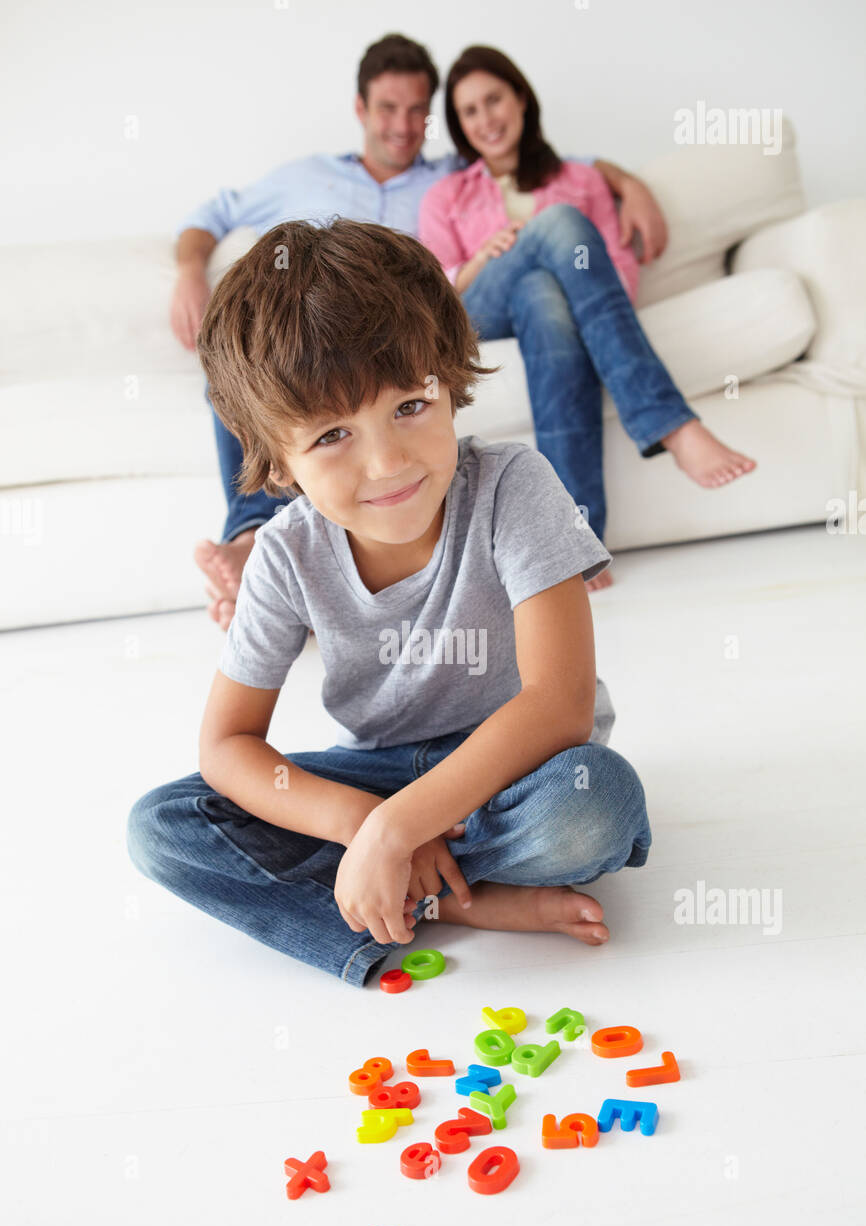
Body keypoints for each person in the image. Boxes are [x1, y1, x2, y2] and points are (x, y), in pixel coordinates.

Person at [127, 218, 652, 987]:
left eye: (410, 405)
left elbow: (560, 704)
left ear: (448, 380)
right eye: (333, 434)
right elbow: (228, 748)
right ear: (277, 457)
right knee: (162, 829)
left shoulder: (515, 487)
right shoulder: (284, 553)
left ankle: (403, 877)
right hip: (374, 776)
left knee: (595, 804)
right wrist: (365, 822)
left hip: (517, 771)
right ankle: (458, 900)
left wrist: (404, 826)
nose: (387, 461)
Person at [170, 32, 671, 626]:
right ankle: (252, 535)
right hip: (312, 338)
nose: (402, 125)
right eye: (388, 108)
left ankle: (569, 535)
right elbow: (210, 216)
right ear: (361, 109)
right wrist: (188, 270)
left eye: (416, 111)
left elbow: (548, 161)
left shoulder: (451, 180)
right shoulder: (303, 176)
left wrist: (631, 184)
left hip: (397, 336)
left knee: (531, 295)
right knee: (239, 372)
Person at [419, 47, 757, 589]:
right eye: (470, 111)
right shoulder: (445, 195)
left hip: (546, 307)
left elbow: (616, 273)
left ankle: (574, 537)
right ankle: (672, 424)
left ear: (521, 99)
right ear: (459, 126)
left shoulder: (581, 178)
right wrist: (486, 254)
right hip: (479, 305)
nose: (486, 119)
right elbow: (437, 291)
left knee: (543, 296)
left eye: (494, 100)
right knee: (555, 227)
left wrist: (573, 269)